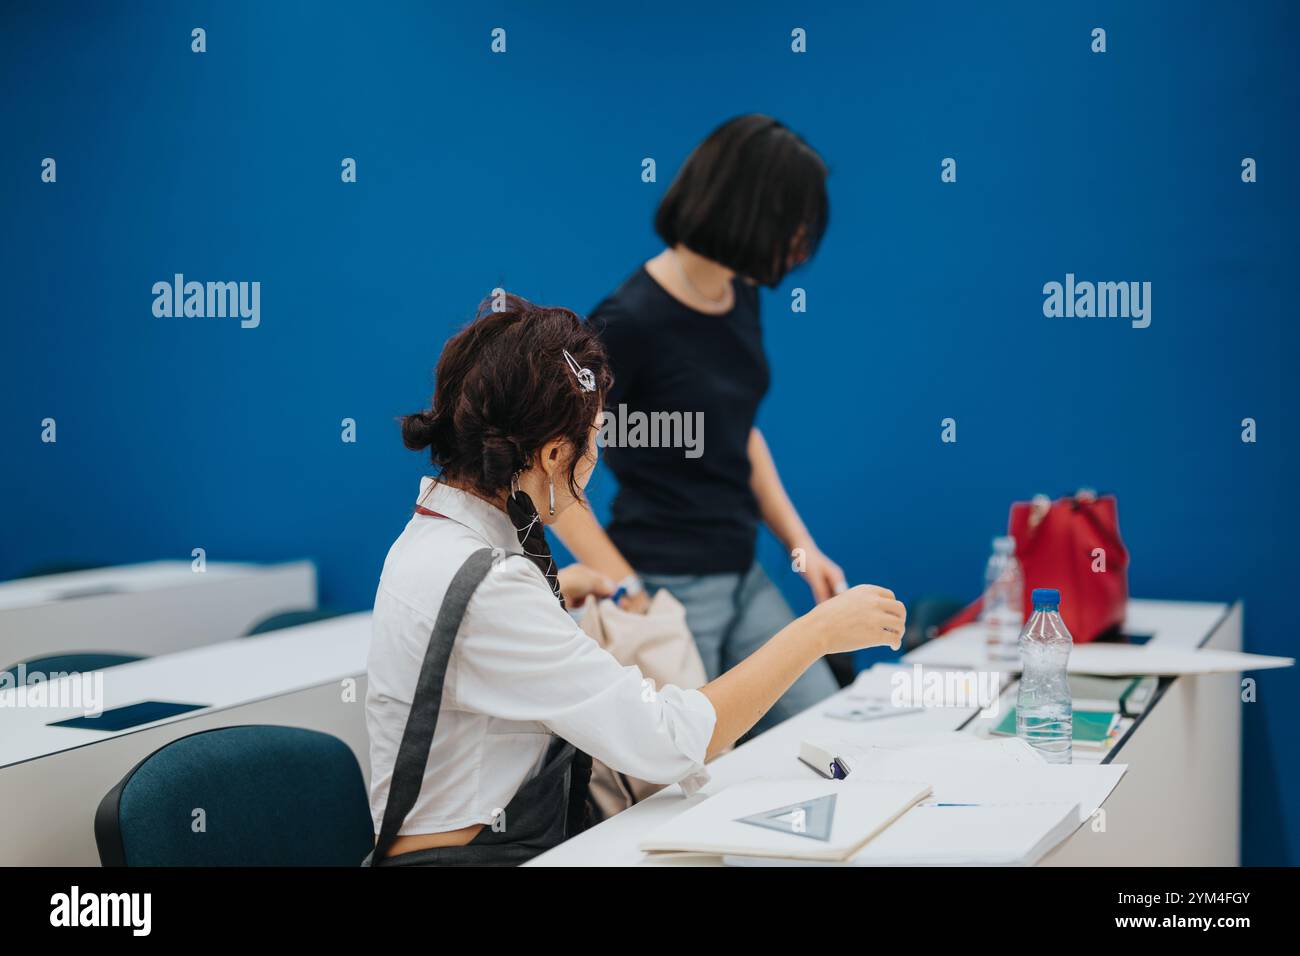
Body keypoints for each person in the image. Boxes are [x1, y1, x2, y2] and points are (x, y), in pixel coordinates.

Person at [364, 293, 905, 865]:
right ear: (552, 454)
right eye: (593, 438)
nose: (593, 461)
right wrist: (816, 632)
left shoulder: (436, 534)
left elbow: (470, 641)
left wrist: (550, 600)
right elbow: (665, 741)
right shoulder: (491, 587)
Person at [554, 114, 849, 733]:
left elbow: (739, 430)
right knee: (689, 772)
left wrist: (803, 548)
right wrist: (624, 587)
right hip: (666, 585)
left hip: (744, 575)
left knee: (827, 734)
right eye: (792, 226)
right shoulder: (626, 322)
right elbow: (549, 476)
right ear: (749, 216)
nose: (799, 246)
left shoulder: (741, 296)